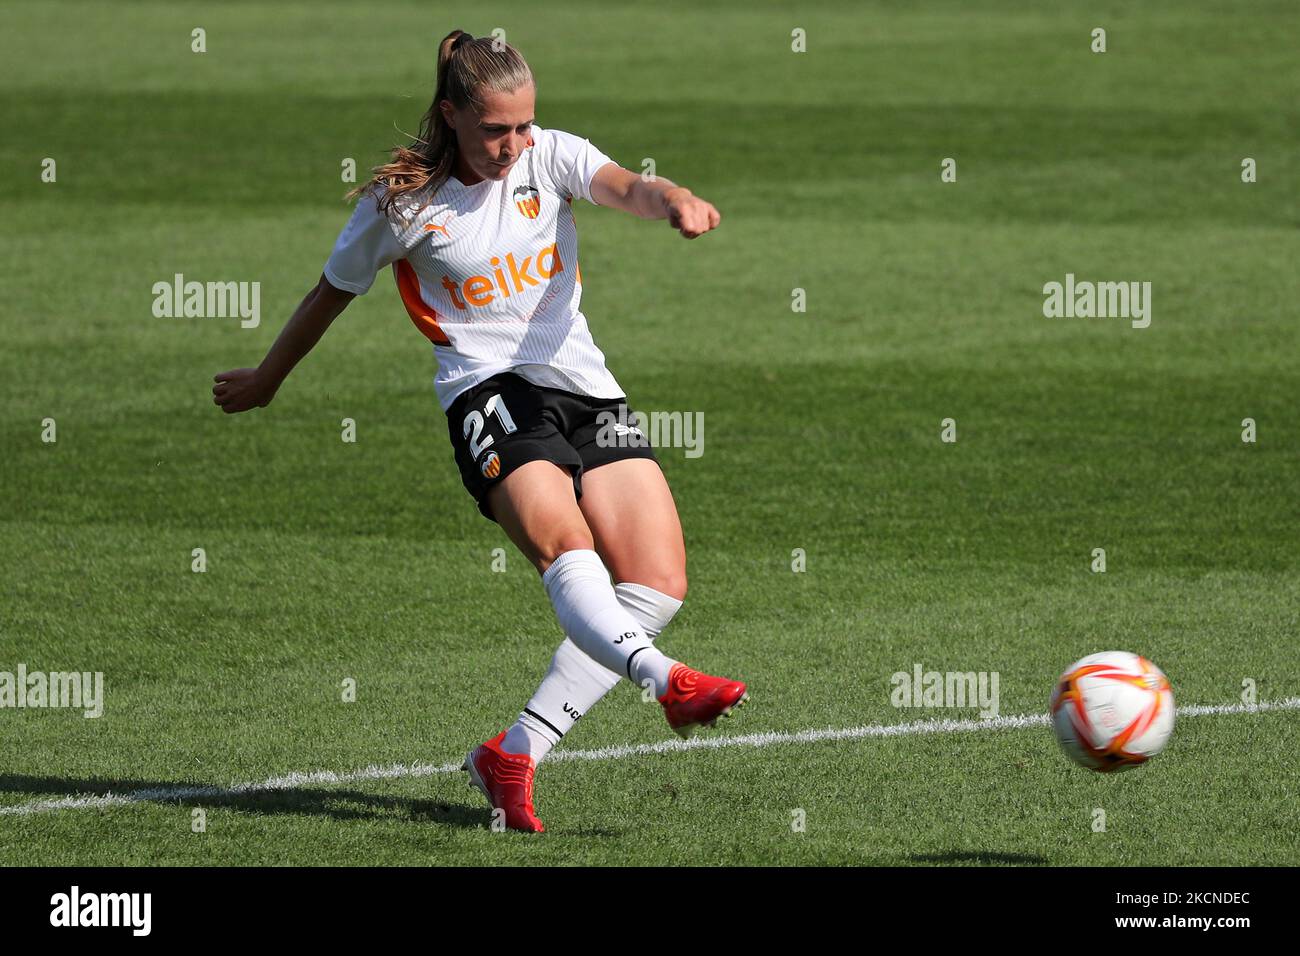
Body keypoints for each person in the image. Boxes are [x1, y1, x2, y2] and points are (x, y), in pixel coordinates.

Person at [212, 29, 747, 833]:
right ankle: (661, 679)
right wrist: (266, 380)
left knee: (656, 582)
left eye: (524, 125)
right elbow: (329, 294)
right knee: (568, 548)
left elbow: (628, 186)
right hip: (487, 393)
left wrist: (671, 199)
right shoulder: (403, 205)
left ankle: (513, 753)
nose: (514, 145)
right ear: (452, 114)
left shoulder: (549, 157)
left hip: (582, 387)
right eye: (497, 129)